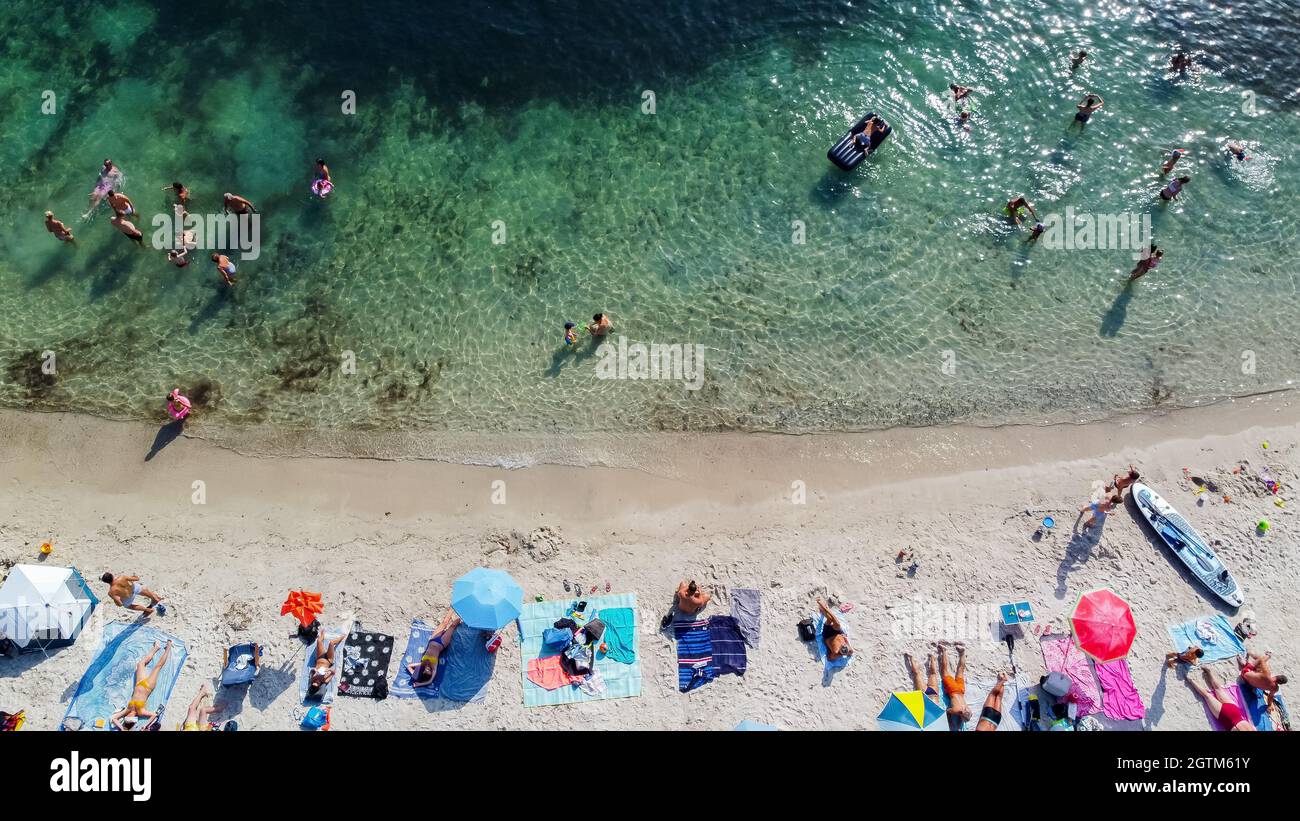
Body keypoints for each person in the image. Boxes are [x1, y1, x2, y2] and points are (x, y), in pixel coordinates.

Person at [110, 640, 172, 730]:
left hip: (139, 683)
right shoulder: (141, 712)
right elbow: (154, 715)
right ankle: (168, 648)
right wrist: (146, 725)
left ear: (126, 718)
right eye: (131, 719)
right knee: (158, 667)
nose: (129, 716)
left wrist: (122, 728)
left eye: (127, 718)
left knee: (140, 664)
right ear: (134, 719)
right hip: (148, 686)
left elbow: (114, 718)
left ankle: (156, 648)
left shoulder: (127, 710)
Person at [1188, 666, 1255, 731]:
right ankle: (1191, 680)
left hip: (1234, 711)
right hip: (1224, 715)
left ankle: (1209, 671)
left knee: (1218, 689)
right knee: (1207, 695)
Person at [405, 611, 461, 687]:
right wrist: (419, 684)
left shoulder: (422, 664)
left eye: (426, 670)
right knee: (453, 626)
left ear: (423, 670)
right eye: (429, 671)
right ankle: (462, 615)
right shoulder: (434, 667)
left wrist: (415, 676)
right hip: (442, 643)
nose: (428, 668)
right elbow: (430, 681)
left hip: (433, 639)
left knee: (445, 622)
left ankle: (453, 607)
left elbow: (408, 666)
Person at [937, 642, 971, 730]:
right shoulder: (956, 710)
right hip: (952, 690)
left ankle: (962, 653)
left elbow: (963, 715)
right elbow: (947, 712)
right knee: (944, 671)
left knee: (960, 670)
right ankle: (944, 650)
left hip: (961, 690)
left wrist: (960, 721)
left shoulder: (968, 710)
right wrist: (950, 722)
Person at [102, 572, 166, 616]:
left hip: (128, 598)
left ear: (106, 582)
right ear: (112, 575)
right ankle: (155, 598)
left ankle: (148, 610)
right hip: (134, 589)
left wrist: (116, 601)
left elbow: (120, 604)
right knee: (143, 589)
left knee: (129, 606)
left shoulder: (111, 592)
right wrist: (133, 577)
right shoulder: (122, 577)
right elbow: (137, 578)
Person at [306, 631, 346, 697]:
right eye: (317, 683)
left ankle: (323, 633)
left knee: (319, 641)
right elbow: (333, 672)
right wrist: (328, 670)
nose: (316, 682)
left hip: (319, 658)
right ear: (319, 686)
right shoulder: (325, 680)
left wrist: (315, 670)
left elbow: (312, 670)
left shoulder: (312, 679)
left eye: (314, 683)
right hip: (328, 660)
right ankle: (343, 637)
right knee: (331, 643)